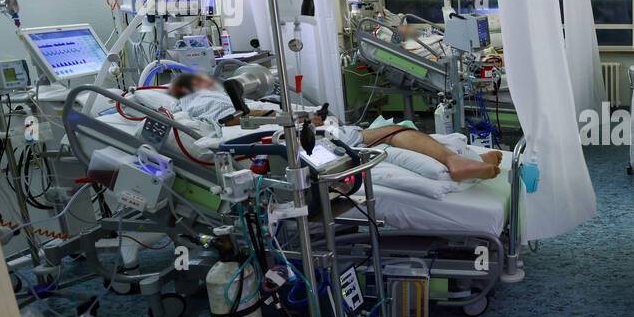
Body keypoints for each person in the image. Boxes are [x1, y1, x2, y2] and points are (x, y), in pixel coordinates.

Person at [167, 72, 500, 182]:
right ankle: (454, 162)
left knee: (397, 131)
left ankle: (455, 157)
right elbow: (238, 120)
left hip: (312, 133)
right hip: (305, 142)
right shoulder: (197, 100)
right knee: (397, 131)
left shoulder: (209, 96)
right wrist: (301, 120)